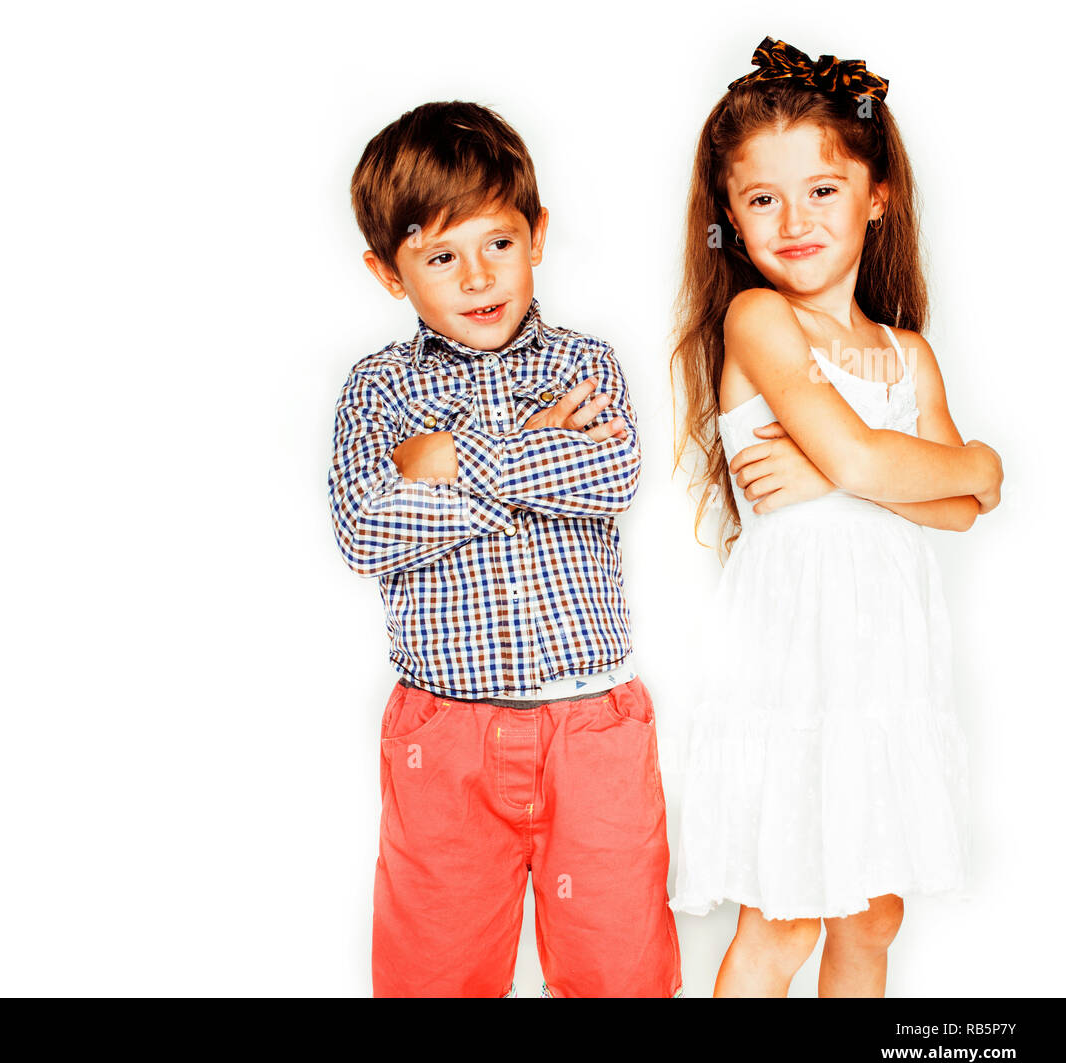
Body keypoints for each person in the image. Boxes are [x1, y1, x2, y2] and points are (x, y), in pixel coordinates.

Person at [667, 38, 1004, 997]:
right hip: (794, 658)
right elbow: (878, 460)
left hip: (882, 668)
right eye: (761, 198)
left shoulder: (908, 353)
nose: (794, 219)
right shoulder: (759, 322)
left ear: (876, 195)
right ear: (727, 216)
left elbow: (956, 512)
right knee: (785, 914)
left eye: (821, 189)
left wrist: (958, 474)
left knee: (872, 911)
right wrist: (971, 464)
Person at [327, 100, 681, 997]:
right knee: (434, 973)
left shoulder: (584, 365)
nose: (477, 276)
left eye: (498, 244)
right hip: (443, 735)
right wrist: (534, 453)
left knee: (621, 968)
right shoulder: (375, 392)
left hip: (591, 729)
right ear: (388, 272)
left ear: (538, 235)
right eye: (441, 256)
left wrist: (446, 462)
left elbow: (612, 474)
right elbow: (367, 531)